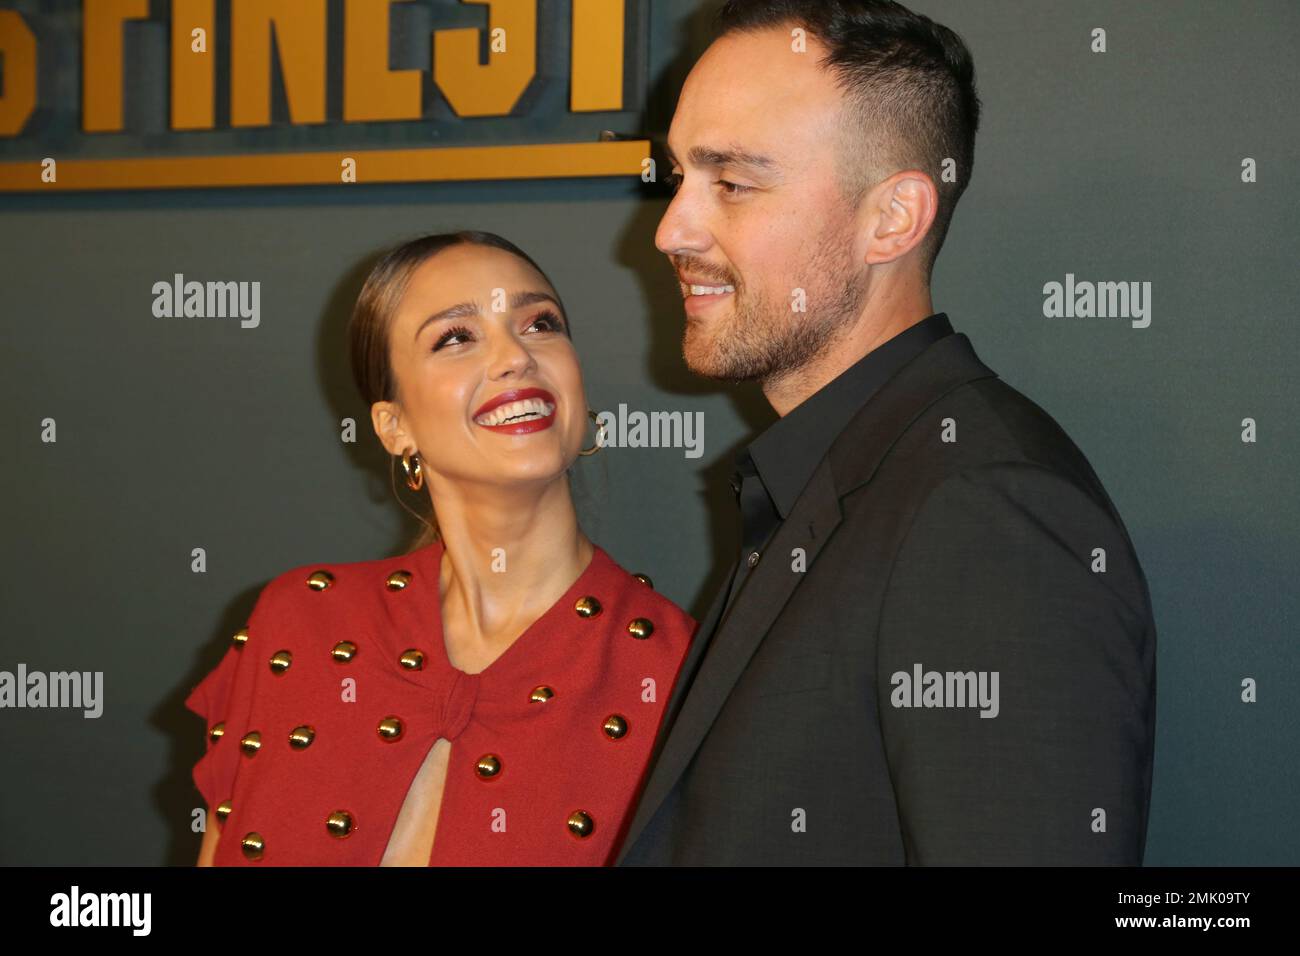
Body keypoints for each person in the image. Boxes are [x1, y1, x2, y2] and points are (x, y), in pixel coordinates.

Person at [616, 0, 1157, 865]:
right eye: (679, 175)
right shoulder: (842, 476)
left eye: (733, 182)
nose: (671, 230)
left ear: (893, 219)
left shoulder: (983, 514)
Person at [185, 231, 696, 866]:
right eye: (456, 337)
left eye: (540, 324)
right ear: (393, 426)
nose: (514, 357)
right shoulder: (298, 626)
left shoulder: (683, 676)